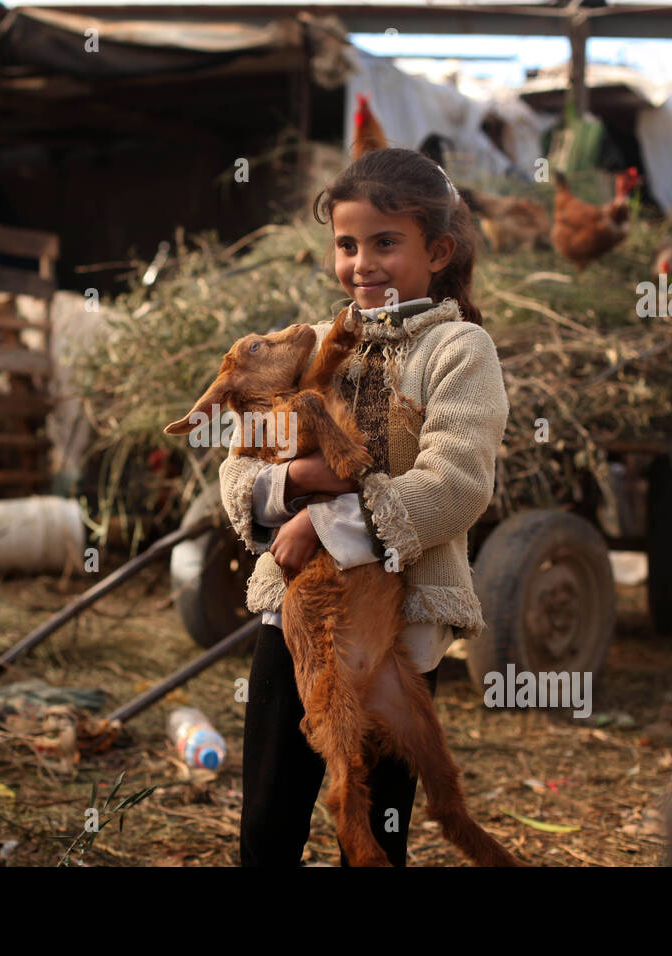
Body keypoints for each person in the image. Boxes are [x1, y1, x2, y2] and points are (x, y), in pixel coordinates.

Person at [217, 142, 510, 866]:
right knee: (268, 820)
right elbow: (237, 466)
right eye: (347, 245)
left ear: (437, 251)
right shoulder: (314, 343)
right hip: (293, 617)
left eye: (386, 243)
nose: (362, 263)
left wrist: (323, 524)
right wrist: (296, 484)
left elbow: (457, 484)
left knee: (375, 831)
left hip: (399, 622)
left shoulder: (458, 350)